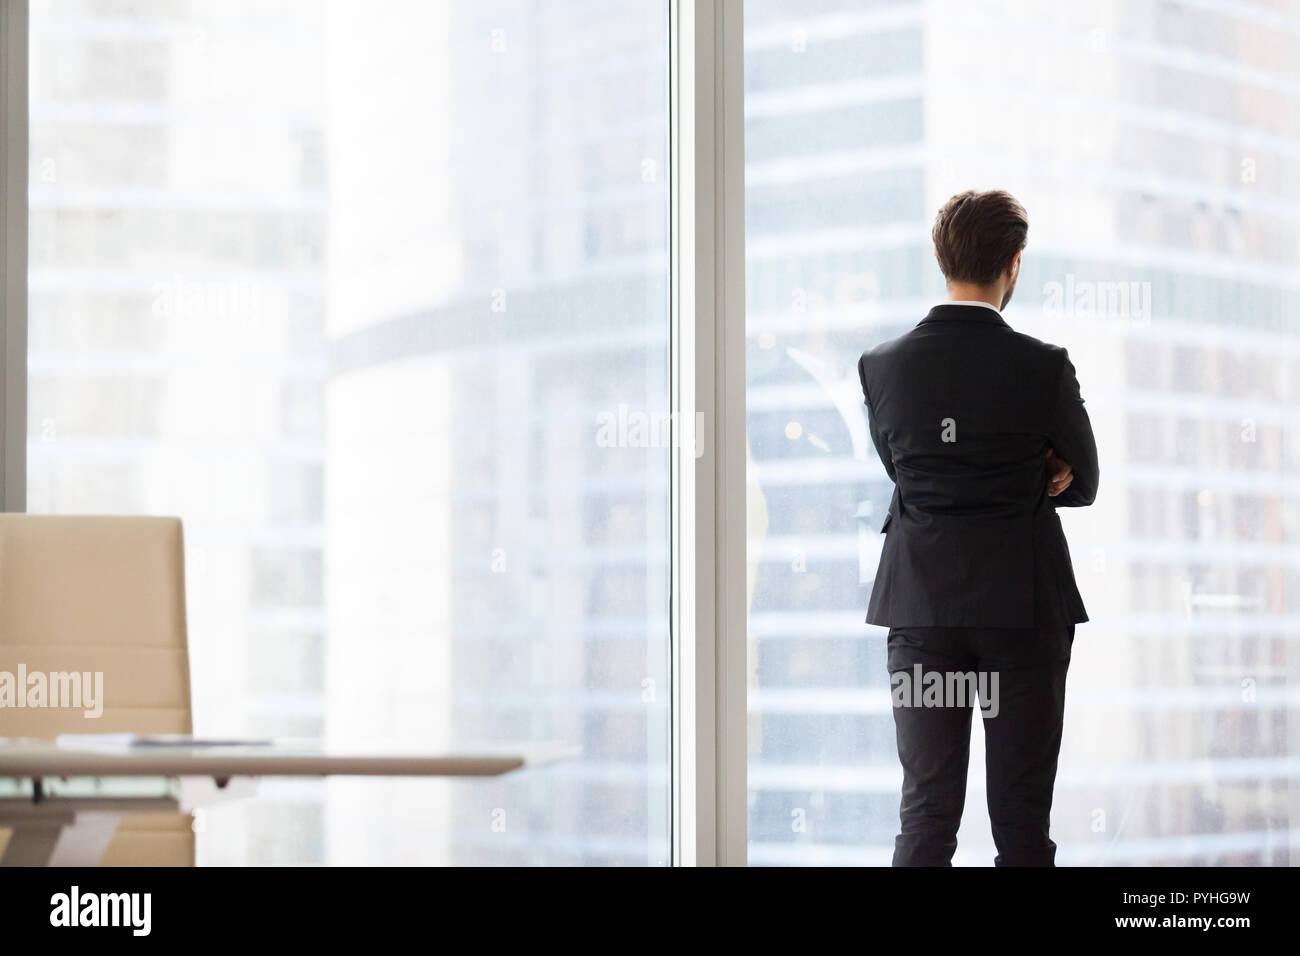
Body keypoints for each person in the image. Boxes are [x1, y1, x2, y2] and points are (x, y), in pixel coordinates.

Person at [857, 189, 1099, 866]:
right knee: (1022, 824)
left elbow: (908, 475)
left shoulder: (883, 367)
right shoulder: (1043, 366)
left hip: (922, 610)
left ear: (942, 259)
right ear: (1014, 265)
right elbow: (1086, 483)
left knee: (926, 817)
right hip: (1023, 611)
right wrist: (1044, 473)